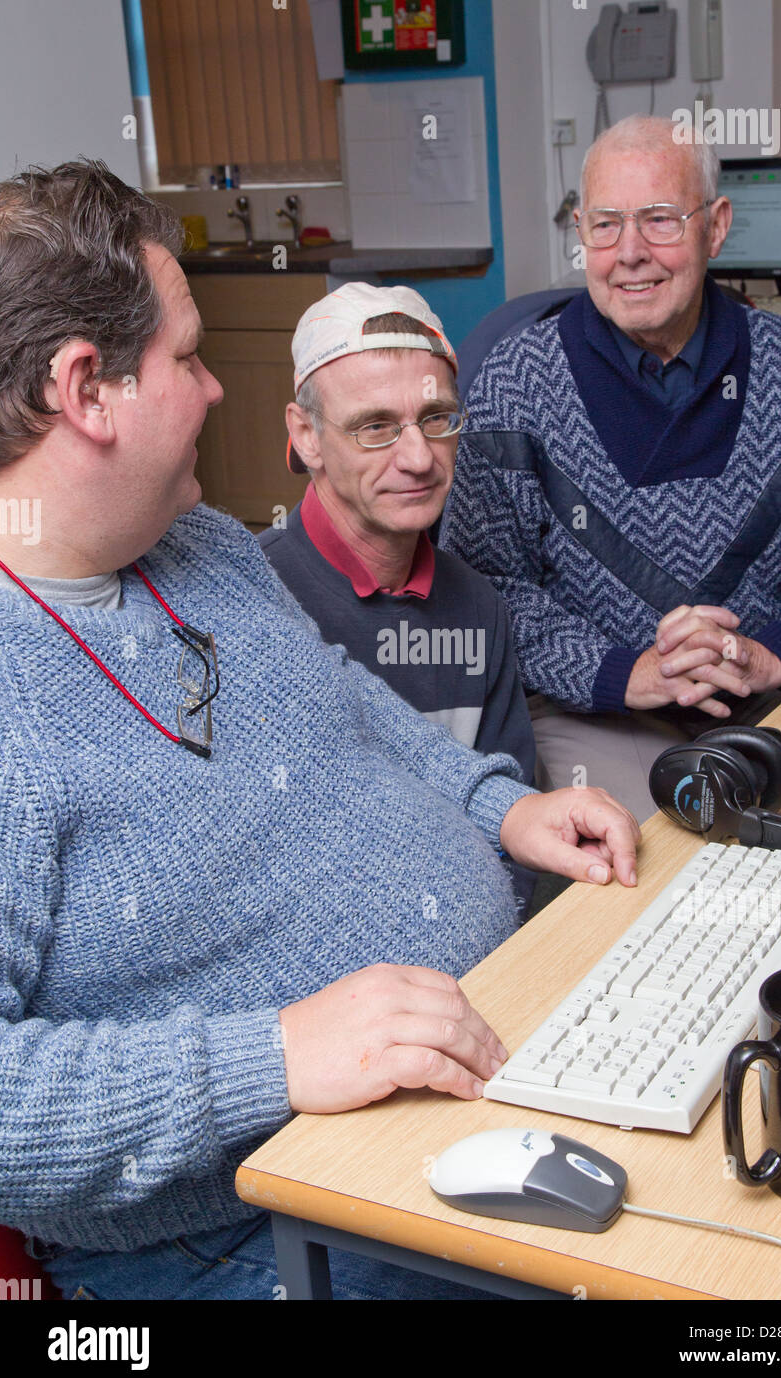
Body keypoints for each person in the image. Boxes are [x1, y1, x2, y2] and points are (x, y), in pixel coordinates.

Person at [0, 160, 639, 1301]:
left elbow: (336, 693)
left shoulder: (197, 543)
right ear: (86, 389)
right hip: (251, 1217)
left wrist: (503, 805)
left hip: (465, 1056)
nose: (214, 390)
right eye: (188, 357)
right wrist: (273, 1057)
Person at [440, 115, 781, 822]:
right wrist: (625, 673)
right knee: (680, 856)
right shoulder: (515, 385)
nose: (630, 253)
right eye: (605, 225)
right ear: (580, 232)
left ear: (716, 227)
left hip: (779, 688)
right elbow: (485, 588)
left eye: (660, 220)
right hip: (603, 712)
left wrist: (770, 655)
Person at [258, 283, 536, 916]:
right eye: (375, 427)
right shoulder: (253, 602)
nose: (419, 458)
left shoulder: (479, 609)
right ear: (306, 436)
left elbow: (514, 825)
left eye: (436, 419)